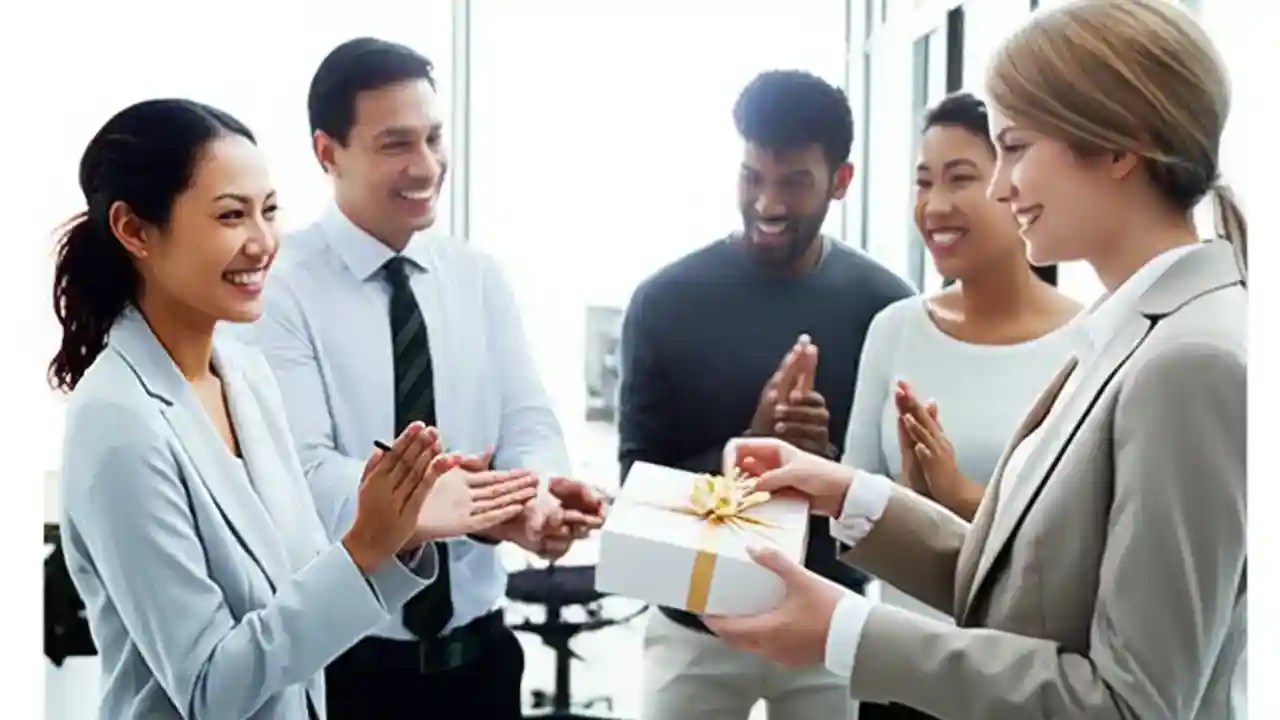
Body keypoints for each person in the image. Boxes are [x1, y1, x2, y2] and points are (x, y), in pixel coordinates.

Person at [705, 2, 1248, 718]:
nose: (1000, 187)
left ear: (1122, 147)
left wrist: (847, 632)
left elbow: (1128, 703)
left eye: (1016, 148)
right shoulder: (1131, 329)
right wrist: (848, 494)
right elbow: (1026, 587)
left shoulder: (1192, 359)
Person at [52, 99, 539, 720]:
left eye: (270, 211)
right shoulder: (119, 424)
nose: (262, 243)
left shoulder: (244, 374)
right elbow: (209, 691)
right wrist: (366, 544)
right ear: (135, 230)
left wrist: (397, 523)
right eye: (231, 216)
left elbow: (301, 584)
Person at [243, 38, 605, 720]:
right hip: (349, 671)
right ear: (329, 153)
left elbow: (529, 425)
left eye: (435, 138)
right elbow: (307, 479)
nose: (427, 165)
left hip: (481, 662)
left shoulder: (478, 277)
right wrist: (477, 510)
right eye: (396, 144)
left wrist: (536, 499)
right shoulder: (277, 292)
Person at [618, 70, 915, 720]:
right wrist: (745, 456)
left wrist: (823, 464)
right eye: (752, 177)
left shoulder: (887, 309)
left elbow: (896, 498)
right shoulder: (664, 303)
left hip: (827, 627)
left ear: (841, 181)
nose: (767, 203)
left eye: (793, 182)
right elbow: (632, 490)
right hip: (695, 626)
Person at [841, 90, 1083, 720]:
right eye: (924, 181)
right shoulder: (894, 327)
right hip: (901, 672)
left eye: (960, 178)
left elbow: (1084, 546)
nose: (935, 205)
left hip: (1024, 682)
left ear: (1012, 184)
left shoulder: (1091, 341)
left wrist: (964, 497)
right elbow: (853, 504)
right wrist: (905, 495)